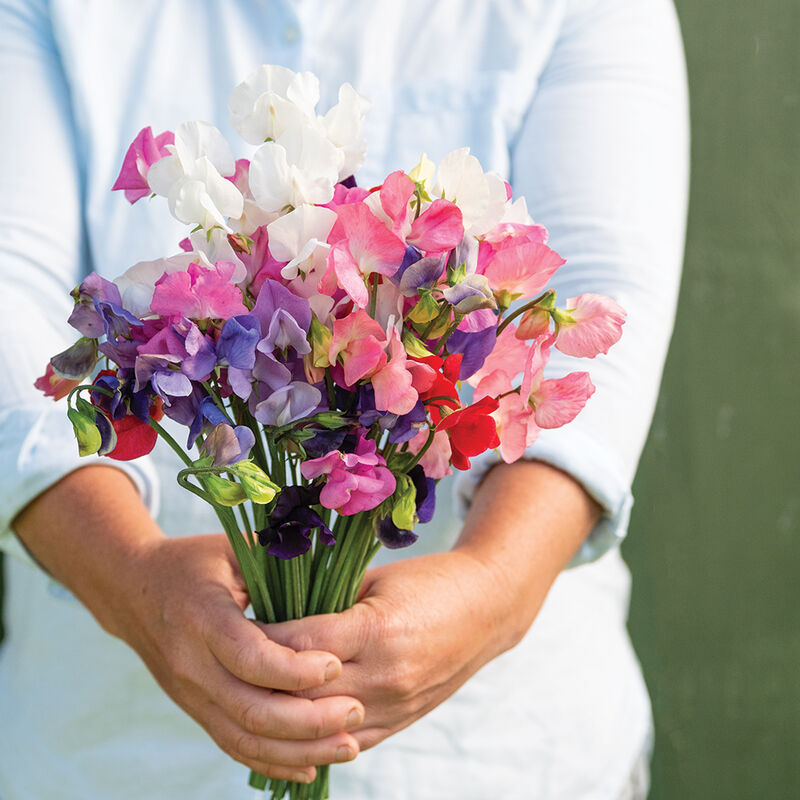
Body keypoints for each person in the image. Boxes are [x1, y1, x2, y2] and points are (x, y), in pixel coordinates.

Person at [0, 1, 688, 798]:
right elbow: (9, 285)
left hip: (501, 754)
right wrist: (129, 575)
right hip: (110, 755)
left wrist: (495, 586)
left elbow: (607, 286)